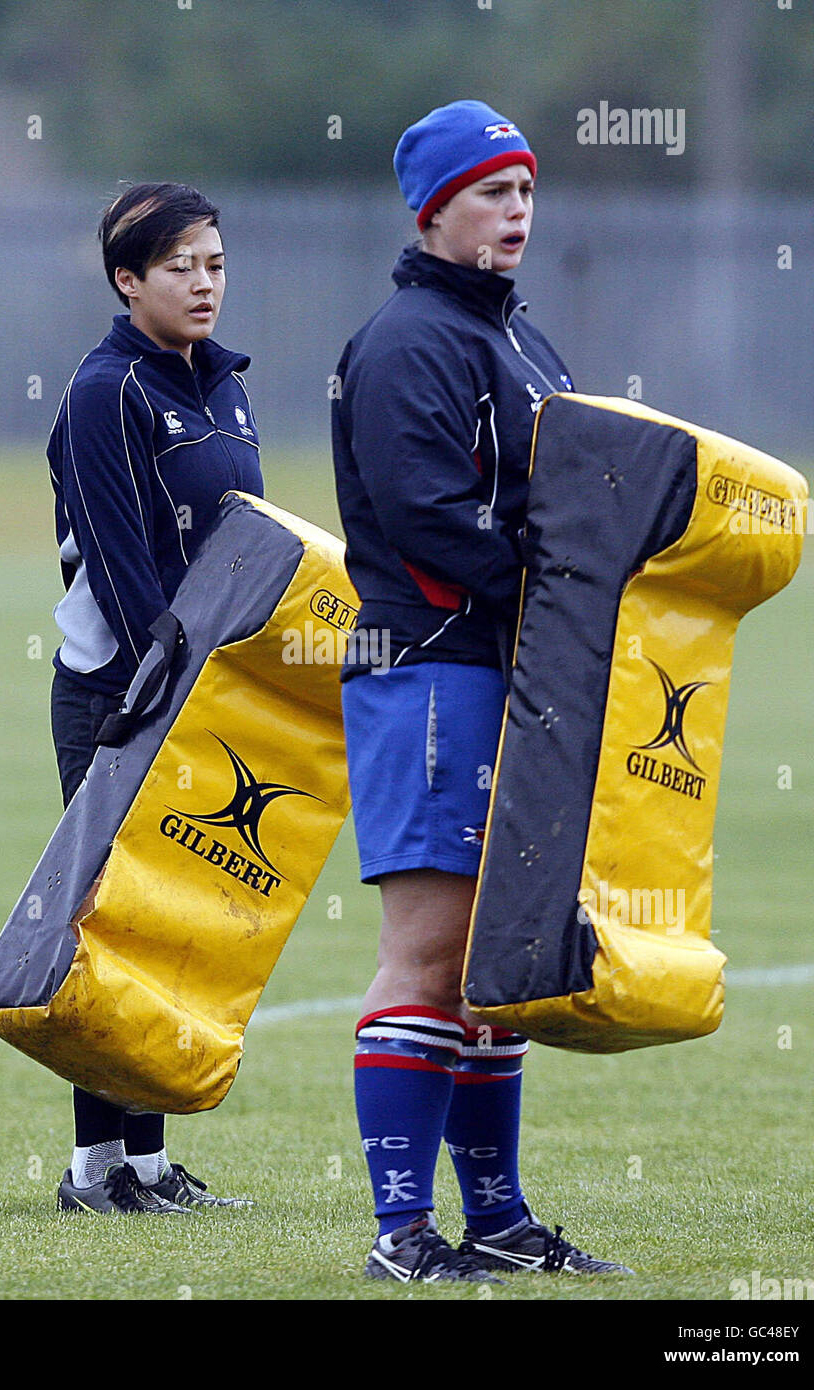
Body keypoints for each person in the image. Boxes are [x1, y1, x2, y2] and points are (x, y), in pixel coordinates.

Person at [332, 100, 633, 1279]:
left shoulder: (517, 337)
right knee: (430, 950)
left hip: (506, 675)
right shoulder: (411, 339)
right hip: (433, 674)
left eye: (523, 191)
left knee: (496, 961)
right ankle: (402, 1235)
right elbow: (426, 518)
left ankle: (497, 1225)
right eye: (490, 193)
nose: (515, 212)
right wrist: (546, 598)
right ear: (435, 207)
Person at [47, 182, 259, 1215]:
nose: (203, 282)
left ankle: (144, 1165)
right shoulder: (103, 391)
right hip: (118, 697)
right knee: (108, 925)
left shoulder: (226, 387)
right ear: (127, 280)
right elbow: (127, 574)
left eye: (214, 262)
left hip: (201, 691)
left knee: (168, 923)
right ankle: (95, 1167)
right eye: (179, 266)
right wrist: (167, 691)